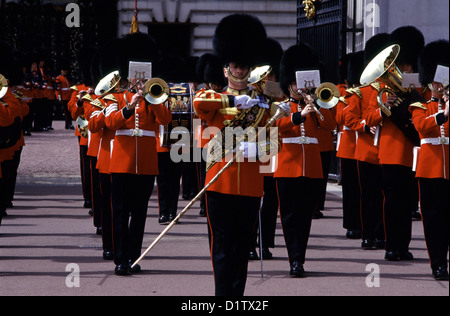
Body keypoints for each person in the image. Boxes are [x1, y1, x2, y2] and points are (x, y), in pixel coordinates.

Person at [193, 14, 272, 296]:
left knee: (242, 248)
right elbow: (198, 103)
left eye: (243, 66)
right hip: (219, 183)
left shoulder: (262, 106)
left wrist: (257, 149)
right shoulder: (214, 99)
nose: (239, 71)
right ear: (225, 70)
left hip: (250, 186)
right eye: (235, 66)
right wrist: (233, 100)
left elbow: (271, 147)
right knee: (222, 247)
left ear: (249, 70)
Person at [364, 27, 425, 261]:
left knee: (408, 203)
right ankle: (391, 246)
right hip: (390, 152)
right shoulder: (380, 88)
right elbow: (369, 118)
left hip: (412, 153)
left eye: (409, 65)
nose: (406, 69)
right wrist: (383, 106)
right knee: (391, 202)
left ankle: (404, 246)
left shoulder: (416, 89)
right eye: (403, 65)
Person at [275, 43, 335, 277]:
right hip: (287, 167)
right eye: (296, 85)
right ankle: (295, 260)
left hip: (311, 168)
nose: (300, 89)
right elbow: (276, 127)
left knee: (304, 217)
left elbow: (330, 125)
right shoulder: (279, 106)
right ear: (289, 85)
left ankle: (300, 257)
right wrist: (299, 116)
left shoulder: (315, 105)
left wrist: (318, 105)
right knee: (289, 217)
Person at [346, 34, 392, 251]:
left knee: (385, 196)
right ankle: (367, 235)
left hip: (388, 149)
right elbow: (350, 119)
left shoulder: (395, 92)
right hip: (366, 150)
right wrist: (366, 124)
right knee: (368, 197)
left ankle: (382, 234)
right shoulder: (361, 92)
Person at [409, 39, 449, 280]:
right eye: (435, 80)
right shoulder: (420, 105)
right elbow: (422, 127)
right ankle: (438, 263)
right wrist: (442, 114)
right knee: (433, 218)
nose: (439, 85)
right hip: (430, 168)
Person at [335, 51, 363, 239]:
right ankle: (351, 223)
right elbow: (340, 118)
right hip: (348, 145)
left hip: (364, 145)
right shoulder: (343, 95)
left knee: (365, 188)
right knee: (351, 187)